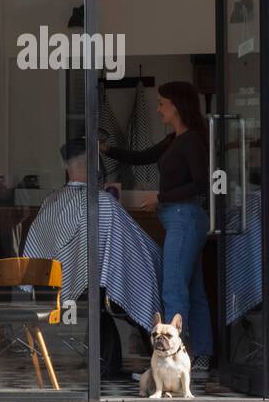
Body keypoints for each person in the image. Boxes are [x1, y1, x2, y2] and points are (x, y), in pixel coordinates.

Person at [101, 81, 213, 370]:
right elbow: (142, 157)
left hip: (184, 219)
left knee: (174, 289)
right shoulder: (175, 139)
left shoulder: (191, 140)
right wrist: (107, 149)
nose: (158, 108)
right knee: (192, 289)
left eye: (162, 102)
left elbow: (201, 184)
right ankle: (200, 353)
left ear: (177, 106)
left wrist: (162, 197)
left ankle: (177, 357)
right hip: (182, 219)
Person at [22, 138, 162, 336]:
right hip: (94, 290)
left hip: (51, 286)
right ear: (93, 163)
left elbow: (36, 249)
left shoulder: (51, 201)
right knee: (152, 265)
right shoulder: (103, 202)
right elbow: (132, 254)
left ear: (64, 165)